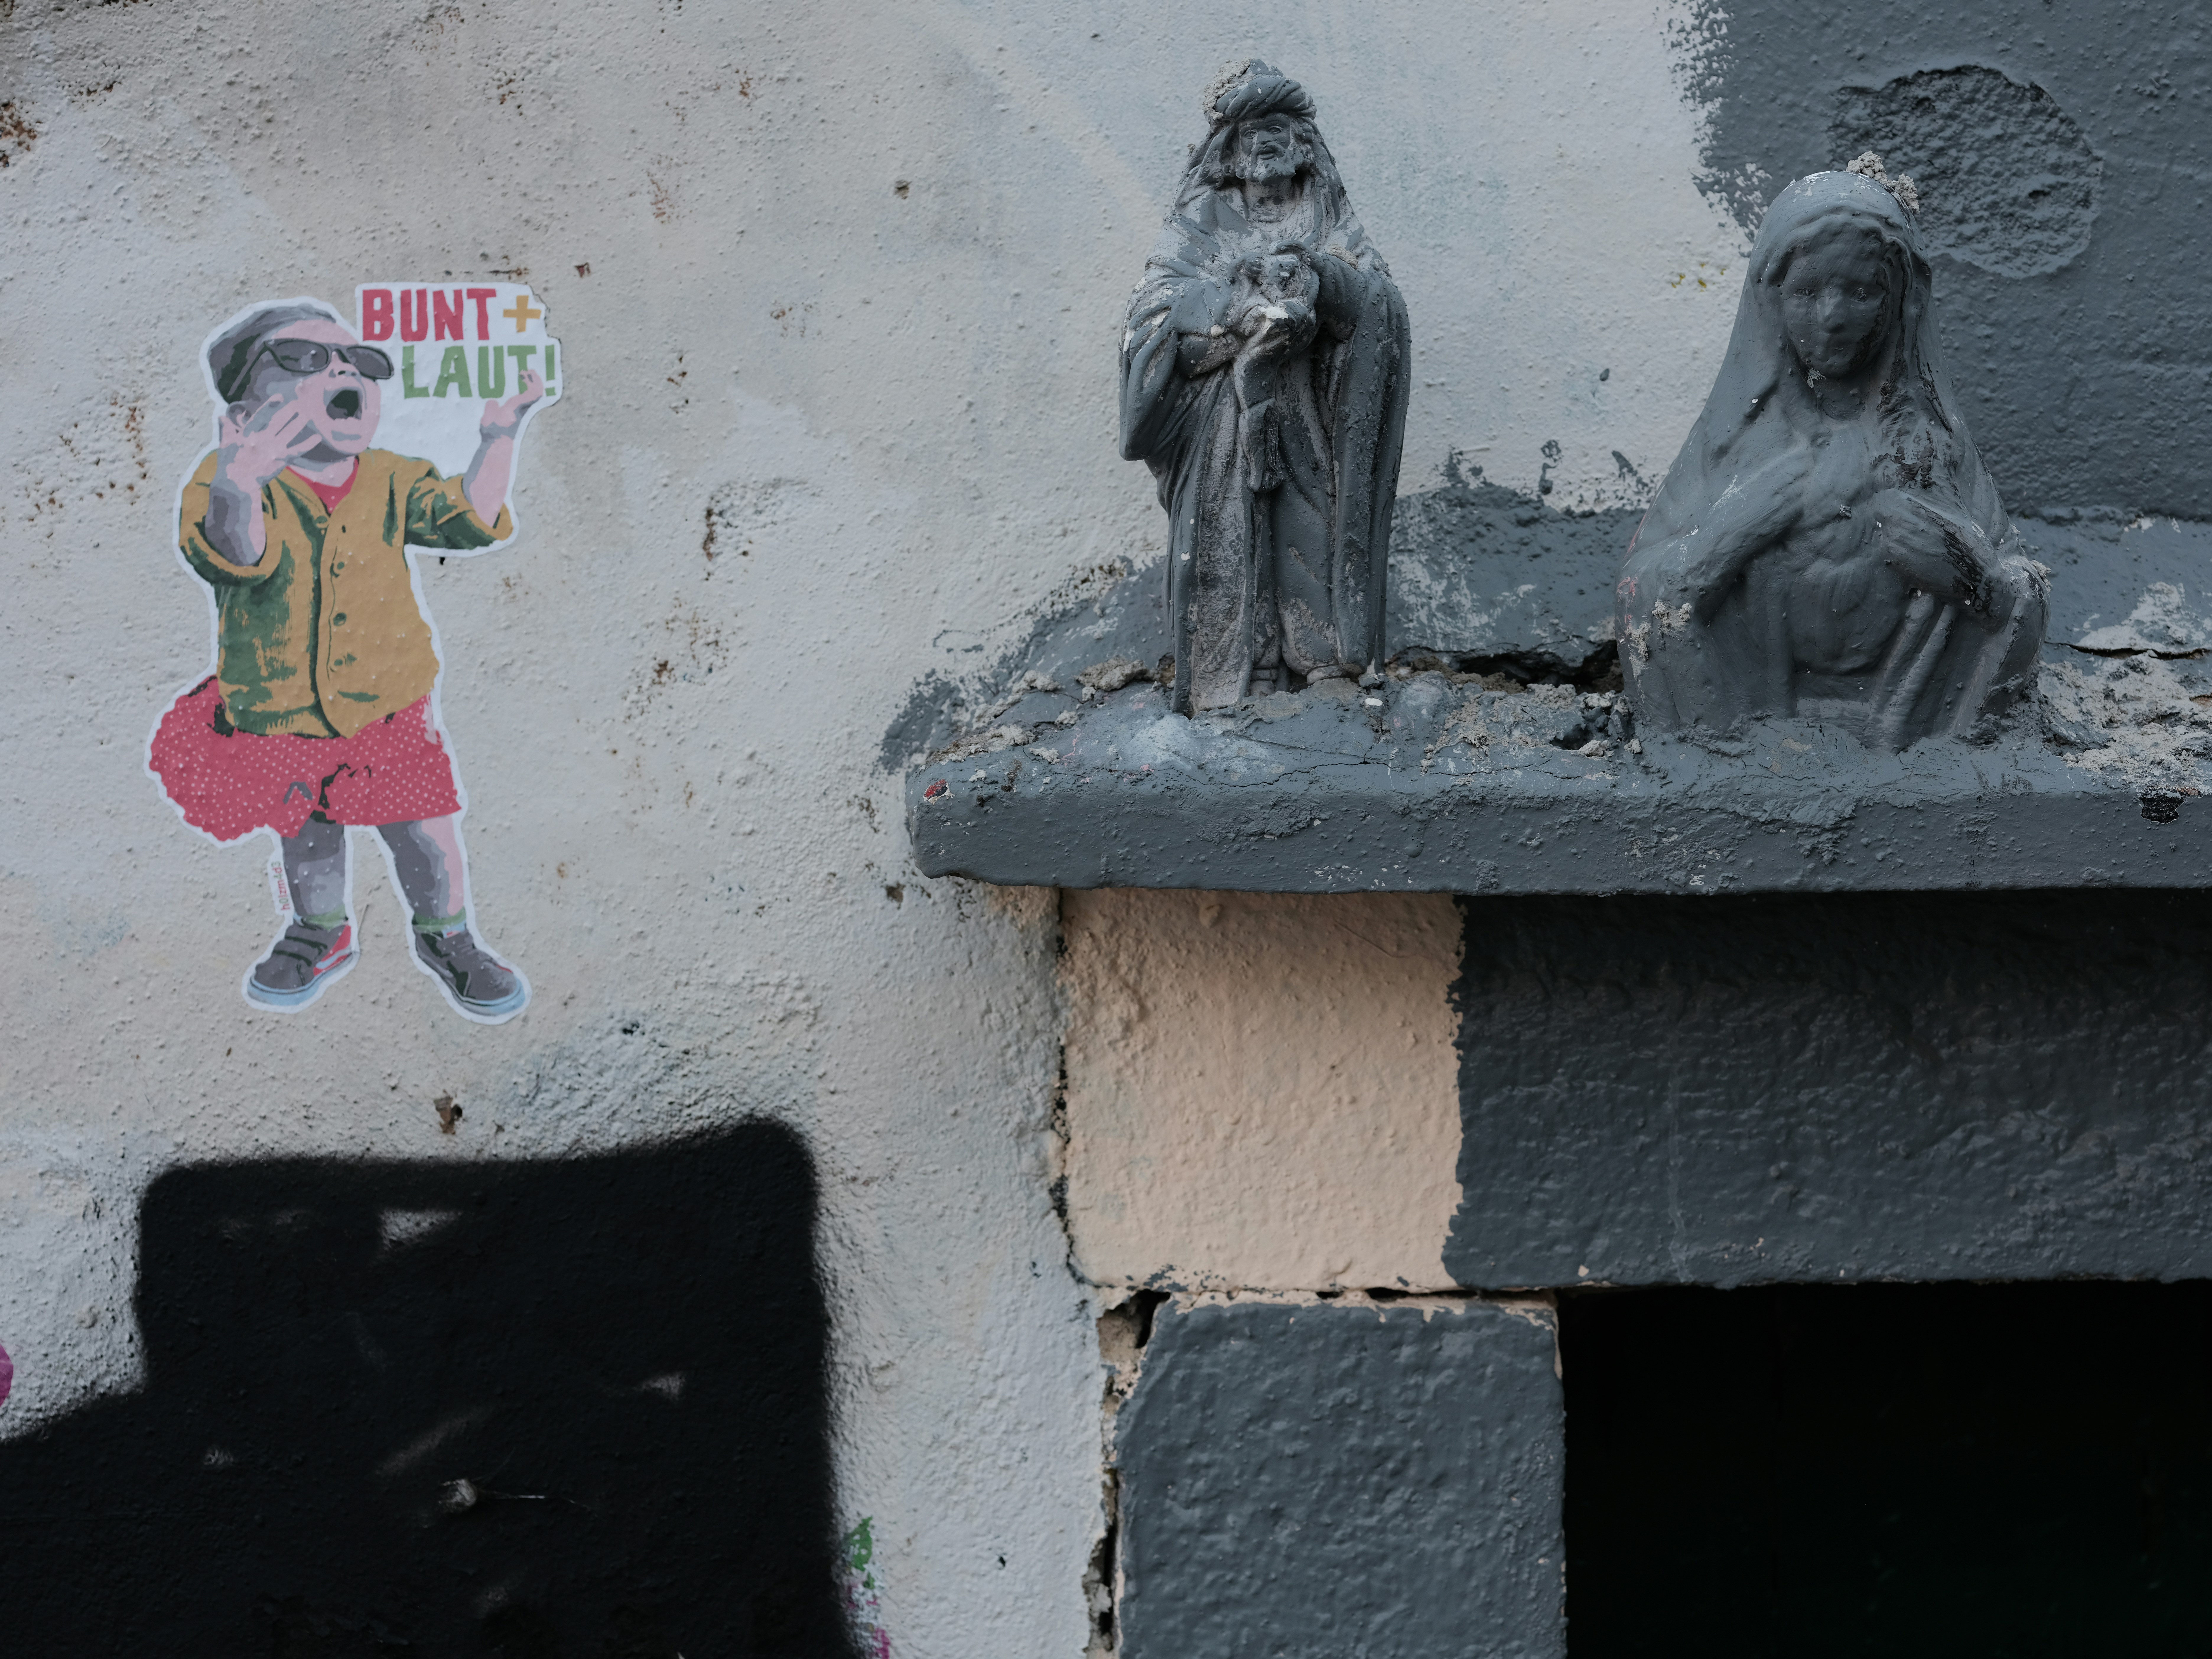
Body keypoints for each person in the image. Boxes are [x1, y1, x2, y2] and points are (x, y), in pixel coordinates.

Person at [149, 299, 542, 1019]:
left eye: (360, 361)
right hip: (281, 706)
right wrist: (242, 481)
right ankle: (319, 931)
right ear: (245, 409)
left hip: (388, 702)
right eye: (306, 358)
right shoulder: (222, 477)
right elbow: (236, 557)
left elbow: (470, 521)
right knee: (308, 833)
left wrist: (499, 438)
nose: (343, 370)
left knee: (424, 829)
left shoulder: (393, 476)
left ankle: (448, 935)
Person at [1616, 168, 2046, 749]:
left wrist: (1975, 579)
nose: (1833, 317)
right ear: (1771, 301)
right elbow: (1641, 594)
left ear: (1900, 304)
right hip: (1760, 741)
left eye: (1862, 292)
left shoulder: (1934, 449)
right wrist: (1720, 544)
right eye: (1806, 293)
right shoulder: (1730, 447)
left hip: (1903, 730)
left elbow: (2020, 596)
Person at [1120, 61, 1411, 713]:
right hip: (1222, 426)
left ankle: (1324, 664)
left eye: (1281, 128)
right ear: (1229, 150)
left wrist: (1321, 281)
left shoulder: (1327, 216)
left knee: (1310, 526)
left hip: (1310, 419)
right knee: (1233, 539)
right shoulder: (1201, 221)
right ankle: (1241, 674)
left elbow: (1379, 305)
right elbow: (1155, 313)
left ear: (1304, 144)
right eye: (1254, 131)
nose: (1268, 142)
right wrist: (1234, 310)